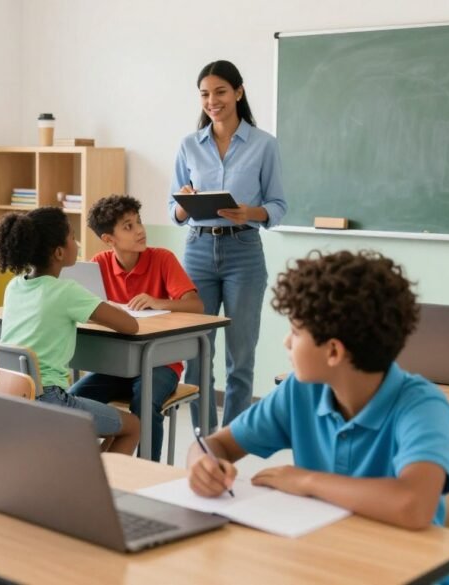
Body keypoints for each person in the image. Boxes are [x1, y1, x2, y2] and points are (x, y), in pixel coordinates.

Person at [188, 251, 449, 572]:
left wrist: (307, 481)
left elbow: (414, 504)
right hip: (321, 563)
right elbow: (218, 444)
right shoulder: (301, 391)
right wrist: (201, 464)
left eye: (296, 332)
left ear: (333, 351)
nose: (287, 342)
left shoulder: (421, 404)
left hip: (402, 572)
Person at [169, 59, 288, 431]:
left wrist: (250, 212)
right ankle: (204, 436)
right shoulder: (189, 145)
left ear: (238, 92)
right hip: (198, 250)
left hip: (244, 251)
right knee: (196, 353)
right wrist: (184, 204)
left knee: (241, 356)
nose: (212, 101)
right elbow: (173, 210)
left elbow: (278, 206)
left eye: (220, 91)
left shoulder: (264, 145)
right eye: (205, 94)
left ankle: (232, 440)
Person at [0, 206, 142, 454]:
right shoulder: (67, 292)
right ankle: (97, 480)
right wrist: (96, 312)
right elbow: (130, 325)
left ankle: (88, 475)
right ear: (59, 252)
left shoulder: (14, 286)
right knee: (132, 426)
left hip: (12, 396)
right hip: (49, 401)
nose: (77, 242)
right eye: (72, 236)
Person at [69, 195, 203, 461]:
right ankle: (86, 468)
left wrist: (158, 302)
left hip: (161, 362)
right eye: (128, 226)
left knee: (144, 401)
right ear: (109, 239)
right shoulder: (98, 264)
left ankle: (148, 471)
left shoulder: (162, 259)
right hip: (116, 365)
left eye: (138, 222)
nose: (140, 230)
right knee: (71, 401)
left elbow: (196, 306)